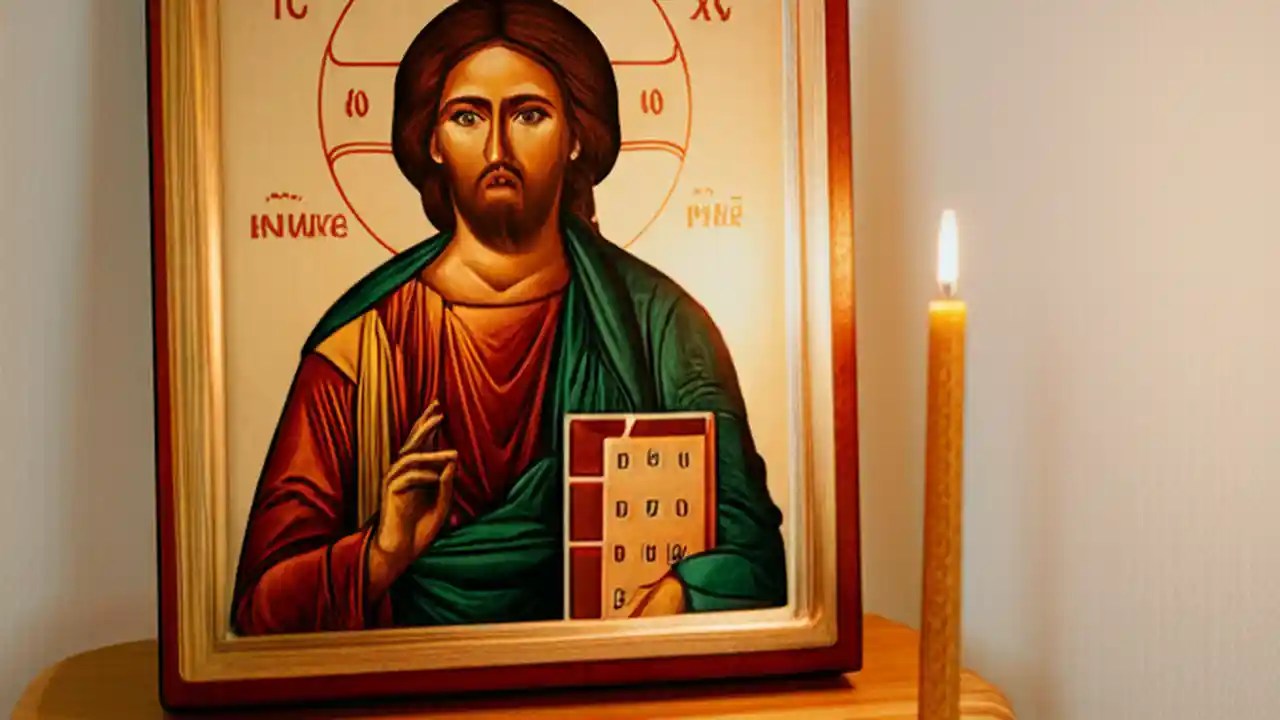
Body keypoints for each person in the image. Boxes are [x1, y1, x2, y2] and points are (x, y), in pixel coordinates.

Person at [230, 0, 786, 635]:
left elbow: (757, 561)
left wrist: (670, 604)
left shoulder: (662, 326)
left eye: (529, 114)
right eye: (467, 117)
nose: (497, 147)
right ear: (431, 141)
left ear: (577, 135)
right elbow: (259, 609)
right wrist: (381, 553)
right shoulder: (360, 346)